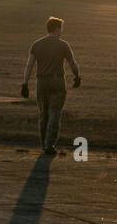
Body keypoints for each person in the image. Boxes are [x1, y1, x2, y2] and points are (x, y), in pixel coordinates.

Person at [20, 16, 81, 155]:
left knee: (44, 114)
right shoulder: (63, 45)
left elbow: (29, 65)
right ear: (57, 29)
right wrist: (77, 76)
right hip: (57, 81)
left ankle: (44, 144)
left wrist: (25, 83)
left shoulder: (37, 44)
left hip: (41, 81)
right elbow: (72, 63)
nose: (62, 31)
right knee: (55, 113)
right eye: (61, 28)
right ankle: (49, 144)